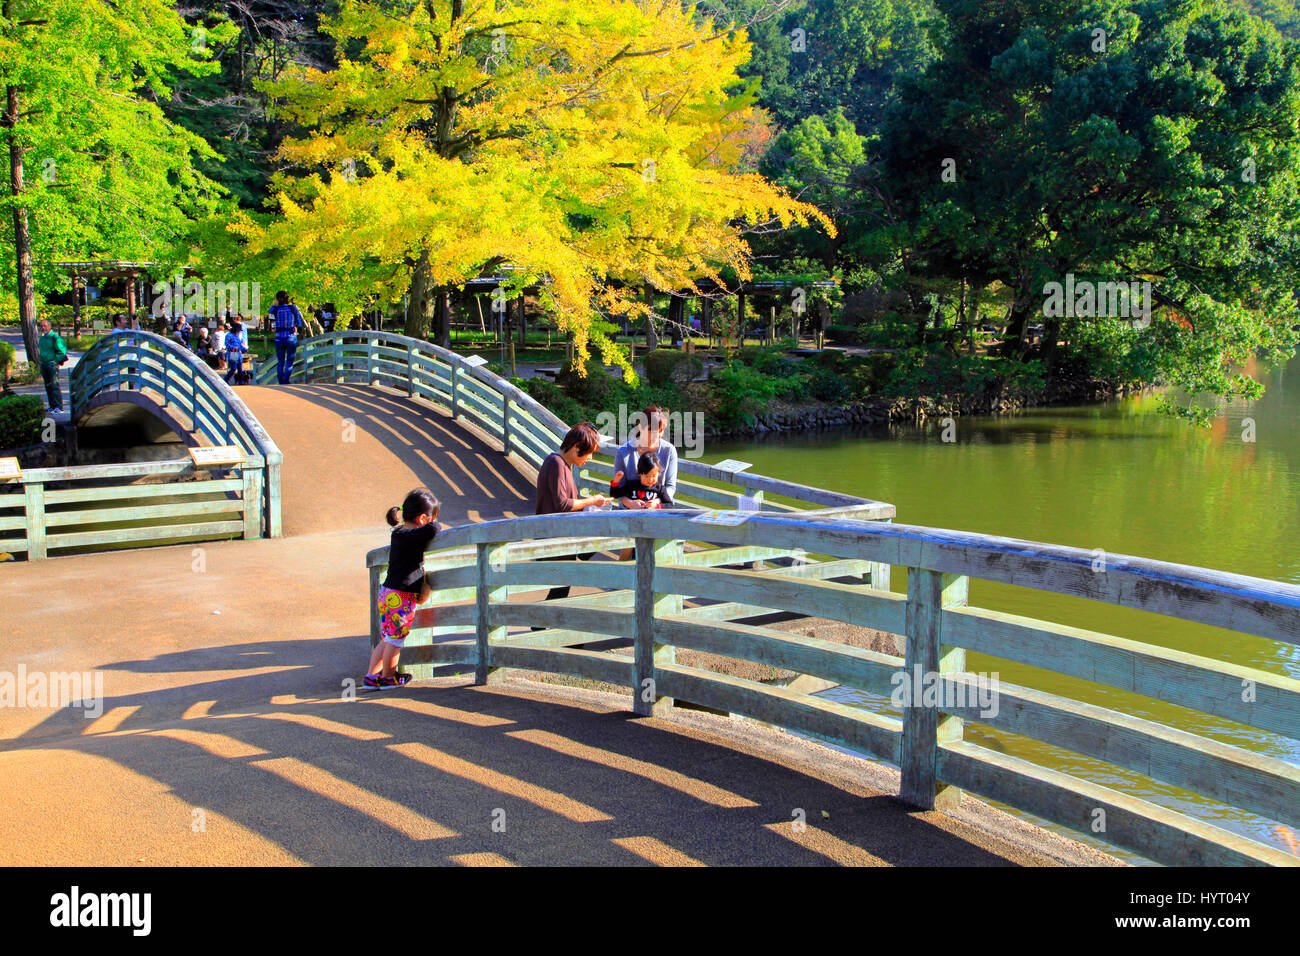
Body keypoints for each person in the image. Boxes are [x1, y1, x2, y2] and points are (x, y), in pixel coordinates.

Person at [365, 489, 441, 690]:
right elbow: (433, 530)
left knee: (388, 637)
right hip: (401, 595)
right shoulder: (412, 534)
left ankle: (372, 676)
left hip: (388, 593)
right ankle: (389, 677)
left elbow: (426, 529)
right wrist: (433, 522)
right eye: (431, 517)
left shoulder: (399, 533)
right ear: (423, 518)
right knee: (396, 639)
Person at [534, 422, 612, 609]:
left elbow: (569, 501)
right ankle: (546, 623)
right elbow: (562, 504)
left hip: (560, 534)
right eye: (589, 452)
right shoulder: (556, 464)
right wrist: (591, 501)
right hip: (553, 537)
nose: (590, 458)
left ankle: (543, 623)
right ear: (577, 447)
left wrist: (589, 505)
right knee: (562, 586)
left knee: (561, 588)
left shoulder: (564, 465)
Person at [613, 405, 678, 507]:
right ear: (640, 427)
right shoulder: (623, 452)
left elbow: (670, 486)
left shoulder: (669, 451)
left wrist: (656, 502)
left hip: (658, 511)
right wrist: (630, 503)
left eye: (660, 430)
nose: (657, 435)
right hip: (629, 512)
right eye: (652, 431)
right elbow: (619, 488)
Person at [268, 290, 303, 384]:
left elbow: (269, 311)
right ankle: (286, 380)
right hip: (290, 337)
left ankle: (280, 381)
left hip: (279, 338)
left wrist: (275, 303)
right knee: (289, 361)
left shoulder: (276, 309)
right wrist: (295, 327)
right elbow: (299, 323)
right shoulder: (293, 308)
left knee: (280, 361)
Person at [36, 319, 68, 412]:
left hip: (51, 364)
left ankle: (59, 407)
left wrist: (56, 360)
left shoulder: (55, 337)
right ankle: (52, 405)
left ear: (49, 326)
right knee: (48, 385)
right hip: (44, 363)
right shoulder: (42, 338)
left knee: (54, 385)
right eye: (41, 326)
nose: (43, 328)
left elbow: (62, 350)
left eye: (45, 326)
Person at [223, 320, 248, 384]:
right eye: (238, 330)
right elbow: (227, 344)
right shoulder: (229, 335)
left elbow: (239, 345)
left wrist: (244, 349)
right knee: (233, 368)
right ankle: (225, 379)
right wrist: (233, 348)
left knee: (240, 368)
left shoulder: (237, 336)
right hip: (232, 353)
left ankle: (240, 381)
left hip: (238, 353)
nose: (239, 331)